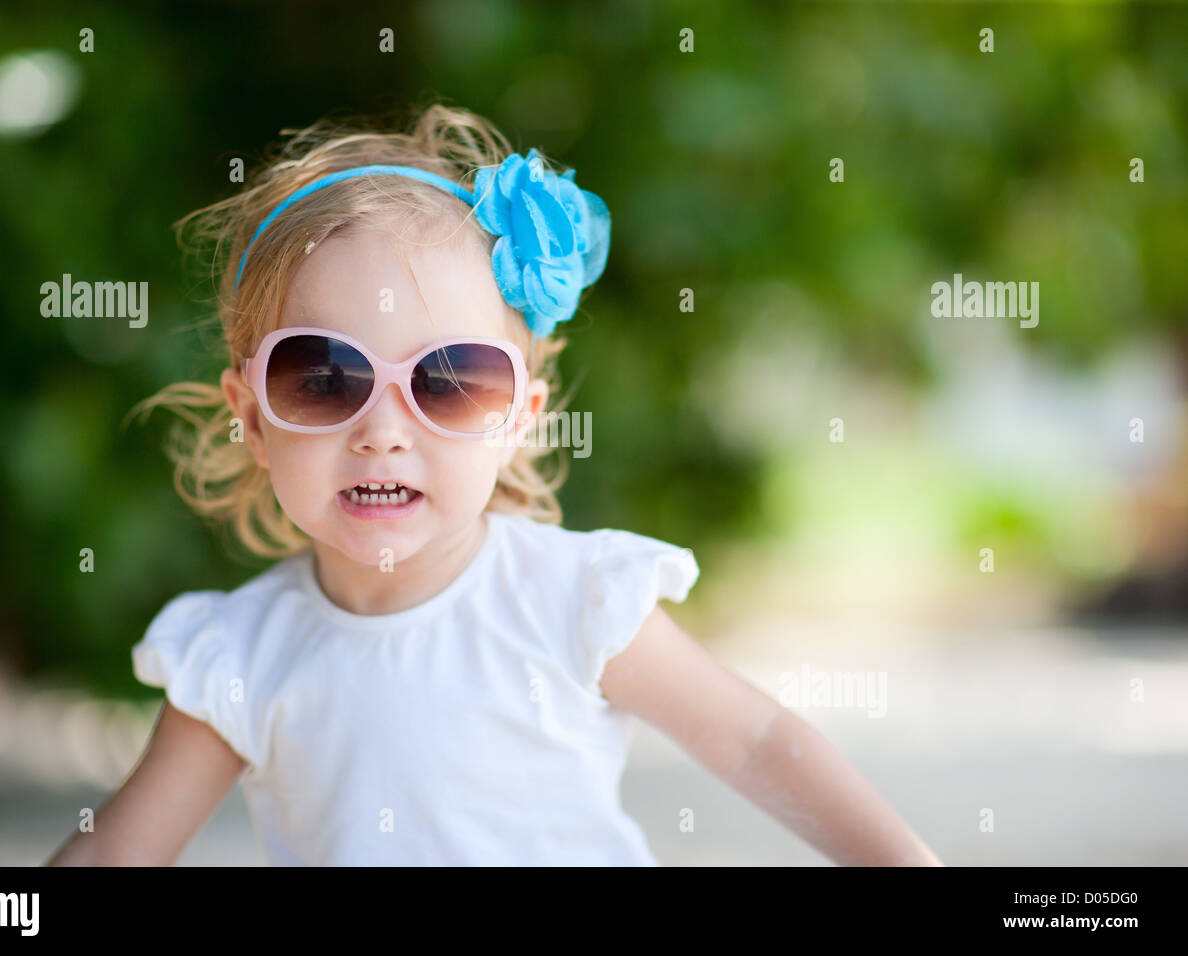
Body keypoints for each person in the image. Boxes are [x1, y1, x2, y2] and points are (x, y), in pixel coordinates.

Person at [46, 102, 942, 867]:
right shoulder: (239, 658)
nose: (383, 433)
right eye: (322, 378)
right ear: (249, 413)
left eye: (448, 379)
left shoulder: (571, 603)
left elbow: (753, 740)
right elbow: (116, 853)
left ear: (519, 415)